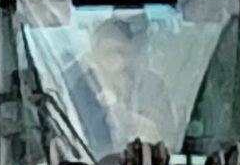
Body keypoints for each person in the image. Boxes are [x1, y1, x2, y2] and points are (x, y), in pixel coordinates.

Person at [69, 15, 175, 151]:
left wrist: (122, 114)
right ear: (95, 56)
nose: (117, 59)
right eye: (108, 52)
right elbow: (71, 137)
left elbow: (164, 138)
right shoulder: (82, 89)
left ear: (133, 53)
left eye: (122, 51)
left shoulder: (151, 86)